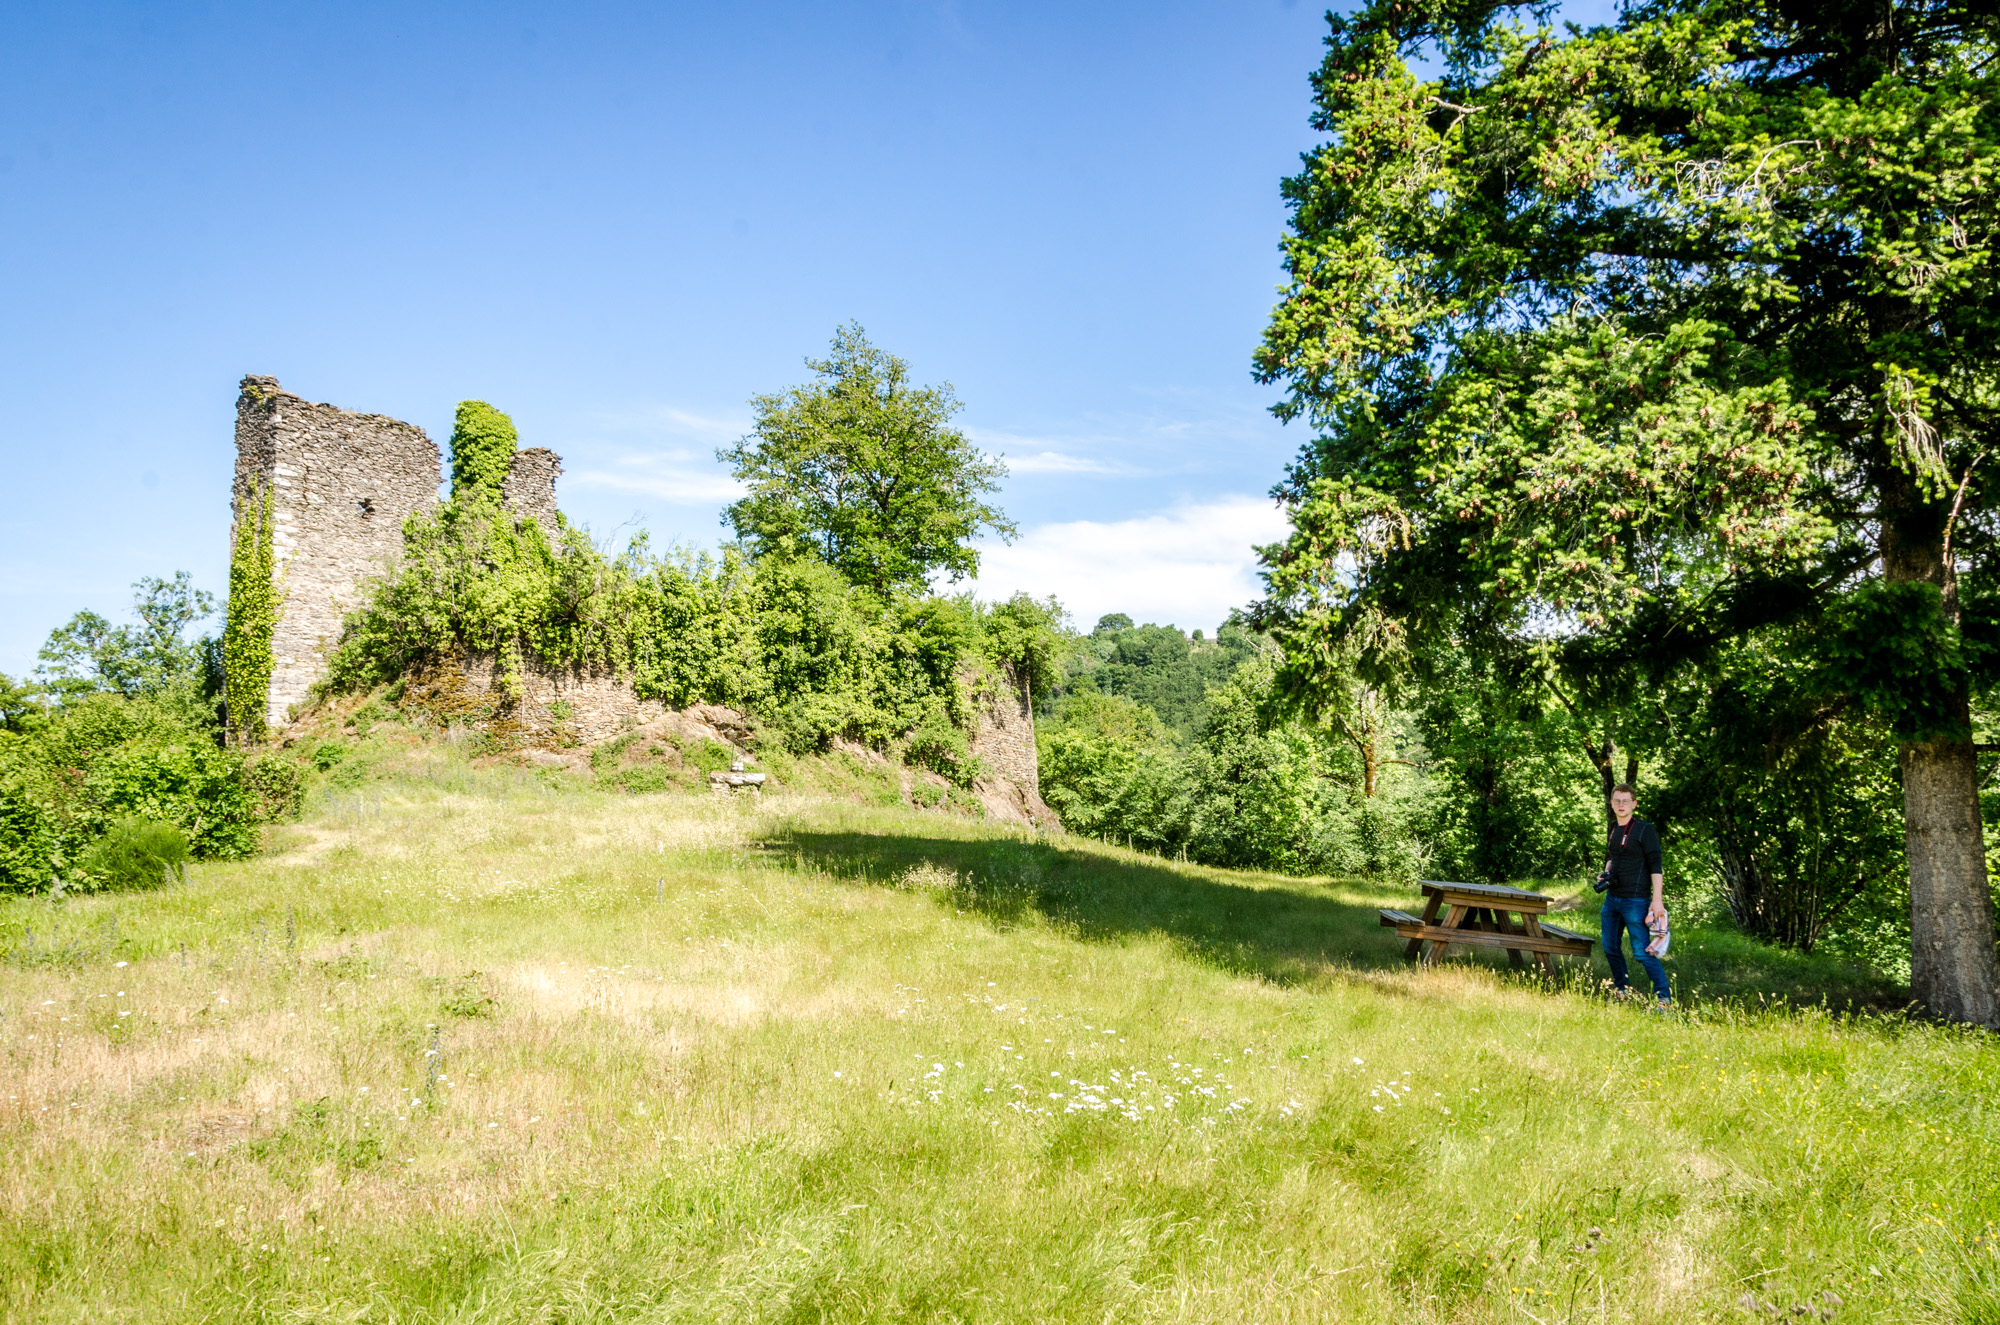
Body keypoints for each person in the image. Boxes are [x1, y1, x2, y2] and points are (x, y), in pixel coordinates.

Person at [1599, 783, 1670, 1007]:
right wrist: (1606, 872)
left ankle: (1664, 999)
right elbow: (1615, 856)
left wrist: (1657, 901)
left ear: (1634, 804)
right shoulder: (1613, 827)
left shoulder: (1644, 829)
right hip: (1612, 898)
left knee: (1641, 952)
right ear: (1611, 803)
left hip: (1636, 900)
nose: (1621, 805)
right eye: (1617, 801)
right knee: (1610, 947)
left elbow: (1656, 865)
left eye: (1626, 801)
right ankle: (1622, 991)